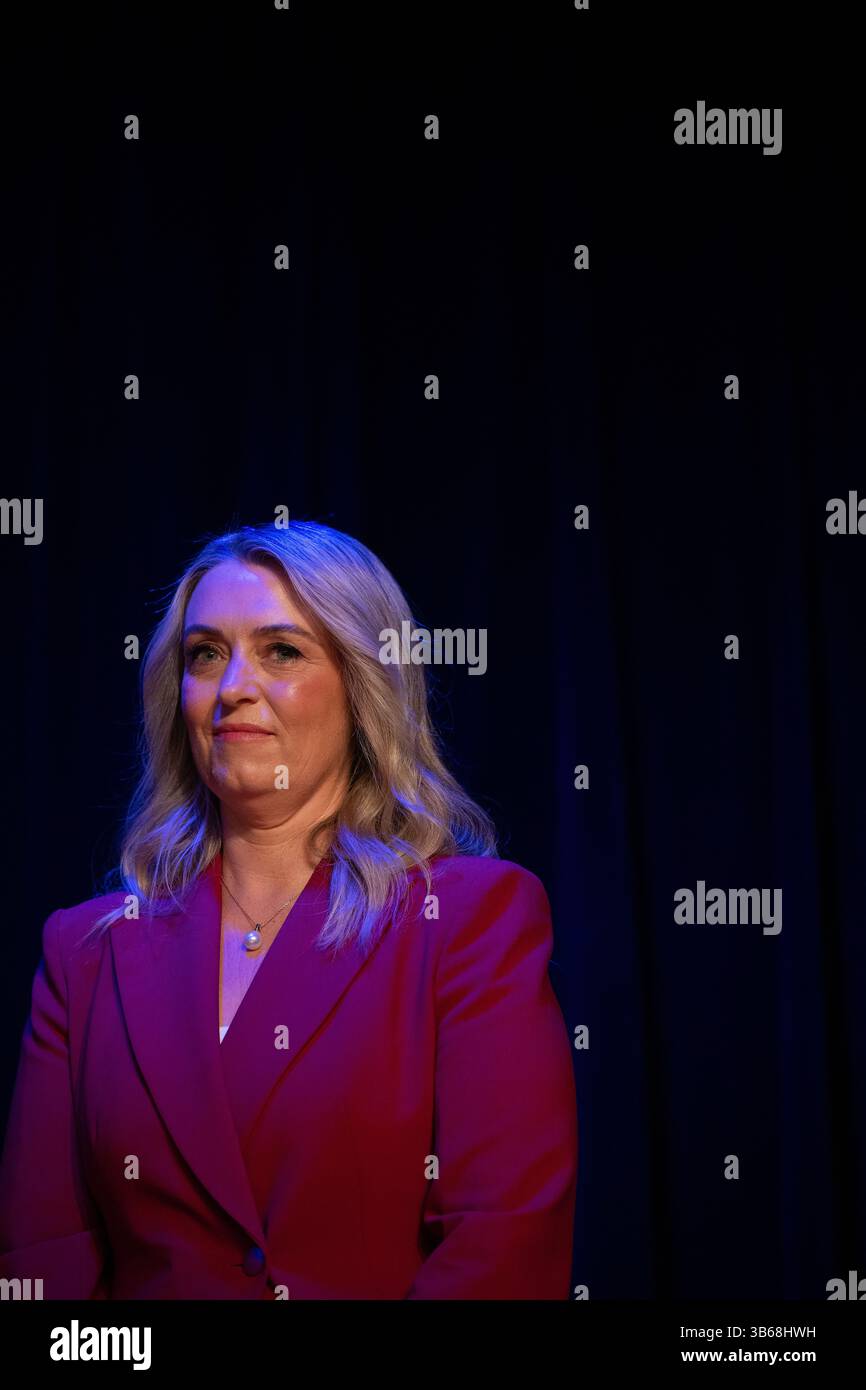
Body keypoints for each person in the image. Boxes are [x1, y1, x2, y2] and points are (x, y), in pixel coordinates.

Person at [0, 519, 578, 1299]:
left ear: (364, 688)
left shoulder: (472, 919)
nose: (233, 685)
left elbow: (502, 1254)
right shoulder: (84, 953)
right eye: (206, 653)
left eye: (281, 651)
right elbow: (43, 1269)